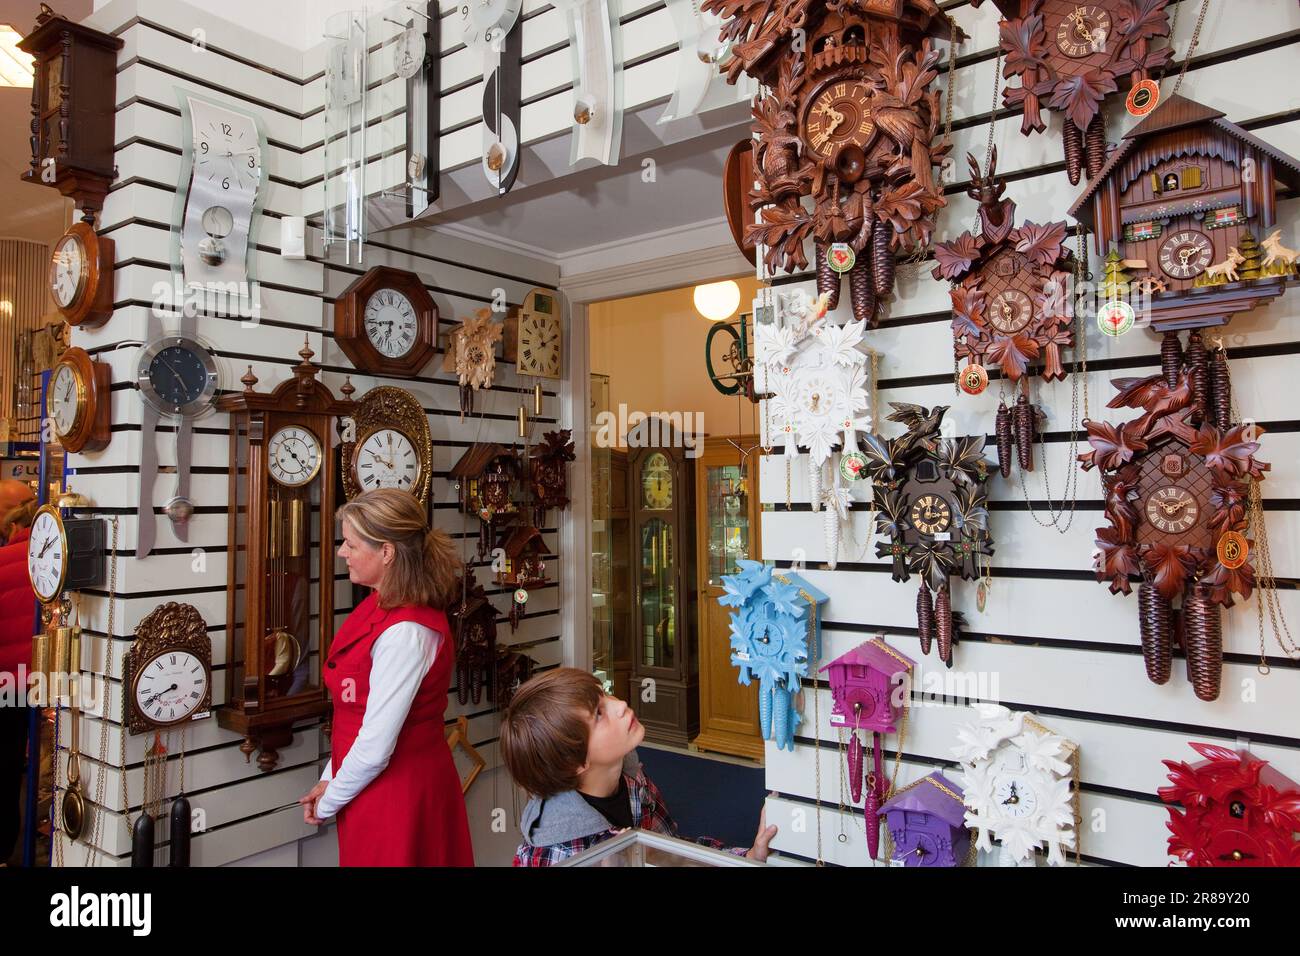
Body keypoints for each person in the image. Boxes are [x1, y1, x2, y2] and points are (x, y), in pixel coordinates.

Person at [297, 489, 474, 867]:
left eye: (350, 544)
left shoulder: (406, 633)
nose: (342, 552)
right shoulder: (377, 604)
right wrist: (330, 778)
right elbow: (355, 713)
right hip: (367, 785)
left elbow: (376, 746)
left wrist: (329, 799)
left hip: (401, 794)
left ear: (387, 553)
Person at [500, 668, 777, 866]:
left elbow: (673, 854)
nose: (620, 705)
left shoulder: (633, 781)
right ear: (575, 762)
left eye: (605, 694)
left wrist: (748, 859)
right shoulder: (563, 855)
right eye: (598, 714)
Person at [0, 486, 36, 864]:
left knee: (7, 766)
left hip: (6, 684)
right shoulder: (54, 559)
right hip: (42, 679)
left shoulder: (3, 560)